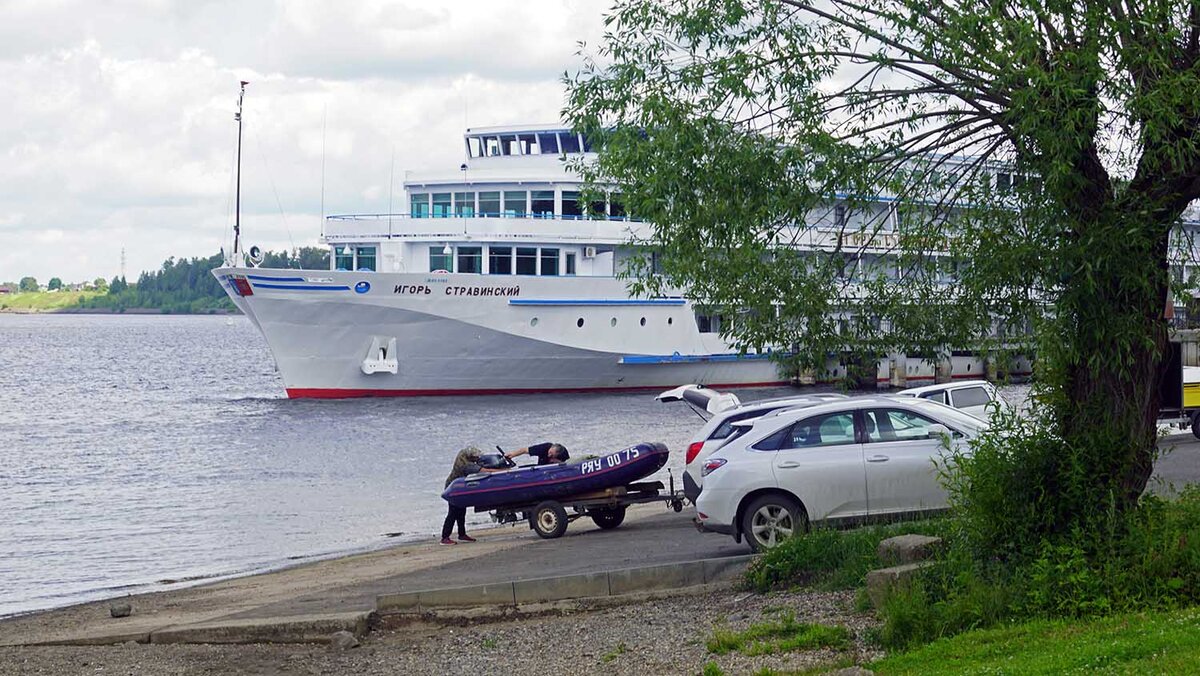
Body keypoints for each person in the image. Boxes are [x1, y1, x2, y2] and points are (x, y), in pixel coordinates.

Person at [440, 445, 503, 545]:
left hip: (458, 487)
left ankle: (462, 534)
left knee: (461, 512)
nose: (477, 458)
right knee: (452, 513)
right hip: (453, 489)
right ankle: (445, 537)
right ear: (470, 457)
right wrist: (502, 471)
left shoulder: (463, 458)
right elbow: (485, 471)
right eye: (475, 457)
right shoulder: (466, 466)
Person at [504, 442, 569, 465]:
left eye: (552, 455)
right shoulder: (543, 447)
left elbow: (569, 462)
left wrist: (557, 461)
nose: (549, 455)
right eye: (550, 452)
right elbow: (524, 450)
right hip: (541, 467)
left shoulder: (563, 453)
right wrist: (512, 455)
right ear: (551, 447)